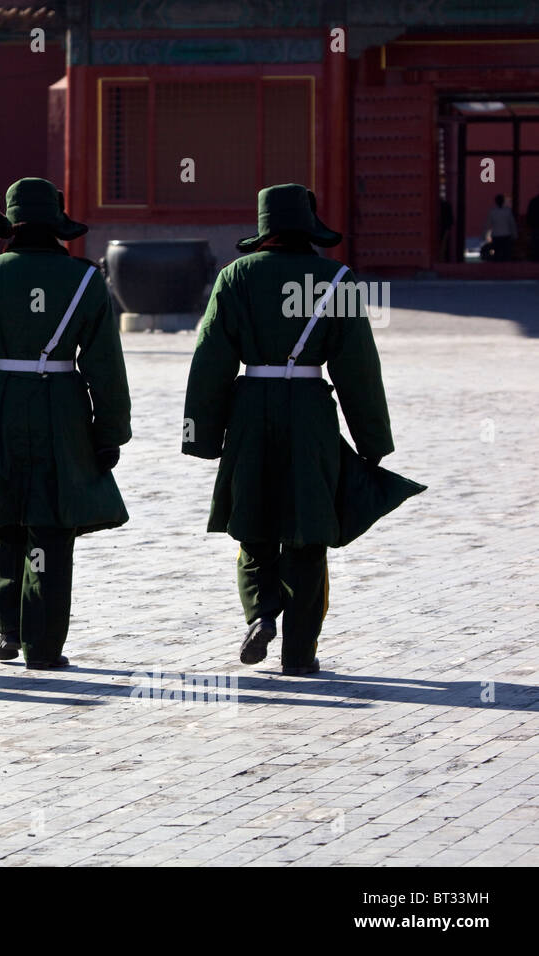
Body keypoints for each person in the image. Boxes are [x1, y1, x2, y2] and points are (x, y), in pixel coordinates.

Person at [182, 183, 424, 675]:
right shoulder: (337, 280)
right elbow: (358, 368)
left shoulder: (235, 278)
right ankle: (299, 653)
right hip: (310, 412)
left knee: (252, 524)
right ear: (309, 226)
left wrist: (201, 435)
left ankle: (261, 614)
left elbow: (209, 362)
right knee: (308, 532)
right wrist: (372, 439)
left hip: (249, 407)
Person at [0, 177, 130, 670]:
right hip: (61, 407)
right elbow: (106, 365)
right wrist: (109, 432)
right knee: (53, 525)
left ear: (10, 227)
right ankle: (43, 646)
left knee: (7, 519)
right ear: (57, 226)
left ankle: (7, 632)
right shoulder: (86, 279)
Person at [480, 193, 516, 262]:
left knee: (497, 254)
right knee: (505, 254)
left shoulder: (493, 212)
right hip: (506, 235)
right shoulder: (507, 211)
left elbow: (487, 225)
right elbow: (512, 224)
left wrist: (483, 235)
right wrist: (514, 234)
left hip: (496, 235)